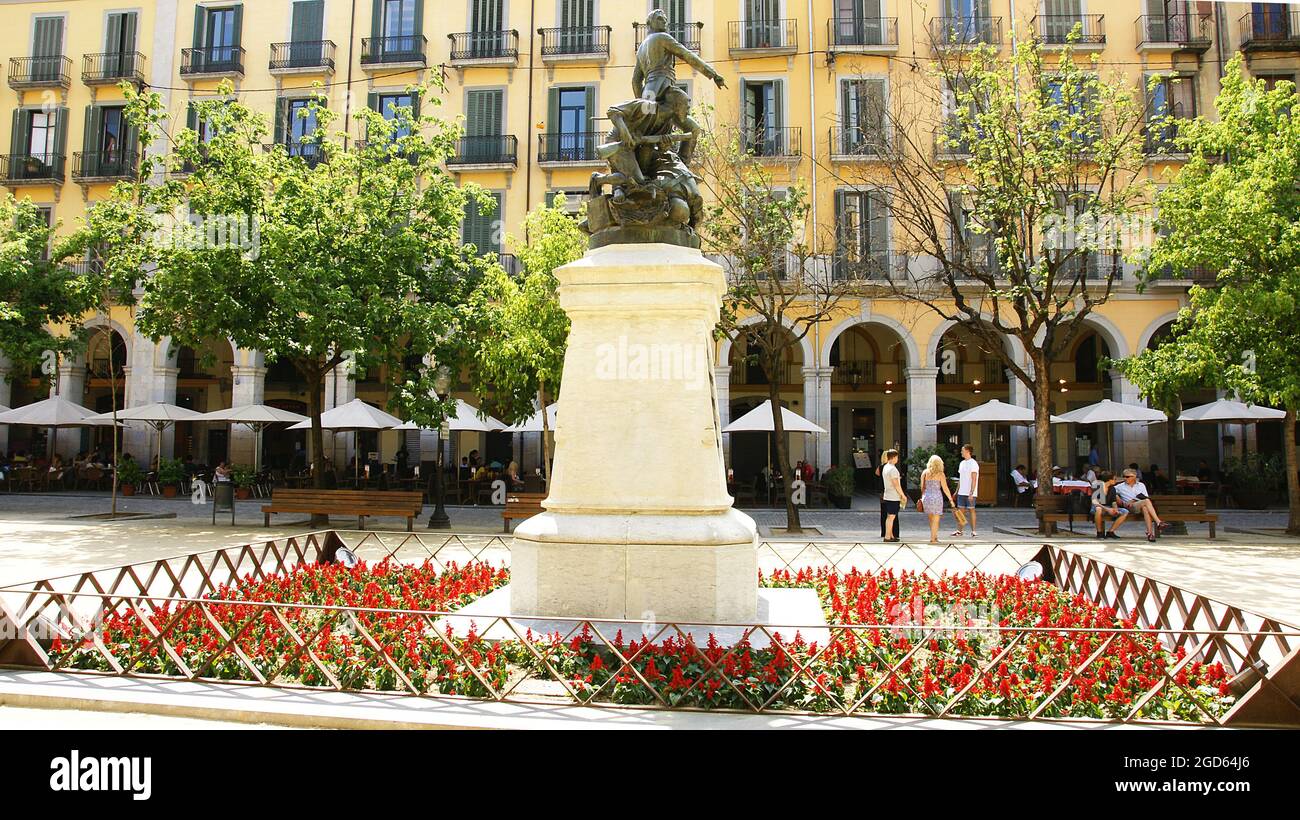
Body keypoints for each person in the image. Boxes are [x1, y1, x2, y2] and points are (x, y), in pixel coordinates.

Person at [1114, 468, 1170, 542]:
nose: (1125, 478)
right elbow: (1110, 491)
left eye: (1127, 477)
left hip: (1140, 505)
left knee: (1145, 508)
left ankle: (1150, 534)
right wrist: (1117, 497)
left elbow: (1144, 496)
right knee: (1146, 501)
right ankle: (1158, 522)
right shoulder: (1120, 486)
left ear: (1134, 476)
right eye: (1124, 476)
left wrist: (1133, 500)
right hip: (1129, 507)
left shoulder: (1141, 485)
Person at [919, 454, 957, 544]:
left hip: (927, 497)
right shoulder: (941, 474)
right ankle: (933, 539)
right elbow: (945, 488)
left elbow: (922, 487)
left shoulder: (924, 472)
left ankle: (934, 537)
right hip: (936, 497)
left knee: (931, 519)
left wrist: (923, 496)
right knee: (936, 520)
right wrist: (951, 500)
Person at [1090, 471, 1128, 538]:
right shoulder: (1098, 486)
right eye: (1114, 479)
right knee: (1099, 509)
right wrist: (1107, 509)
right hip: (1097, 507)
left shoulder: (1112, 488)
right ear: (1109, 480)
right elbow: (1095, 502)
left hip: (1108, 507)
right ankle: (1099, 532)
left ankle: (1111, 531)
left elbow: (1113, 502)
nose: (1115, 481)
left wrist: (1115, 509)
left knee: (1125, 511)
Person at [953, 444, 979, 537]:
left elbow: (974, 478)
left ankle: (973, 531)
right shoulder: (962, 463)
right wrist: (957, 491)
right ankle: (959, 530)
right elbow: (961, 478)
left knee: (971, 510)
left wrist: (971, 493)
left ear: (968, 451)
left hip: (970, 492)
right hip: (961, 491)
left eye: (962, 450)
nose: (961, 452)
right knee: (961, 511)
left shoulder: (973, 463)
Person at [880, 449, 904, 542]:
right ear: (894, 457)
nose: (897, 459)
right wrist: (902, 494)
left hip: (888, 494)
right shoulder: (892, 469)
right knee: (891, 516)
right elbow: (896, 484)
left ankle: (890, 535)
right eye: (897, 457)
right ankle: (887, 536)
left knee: (890, 516)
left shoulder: (886, 467)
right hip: (893, 495)